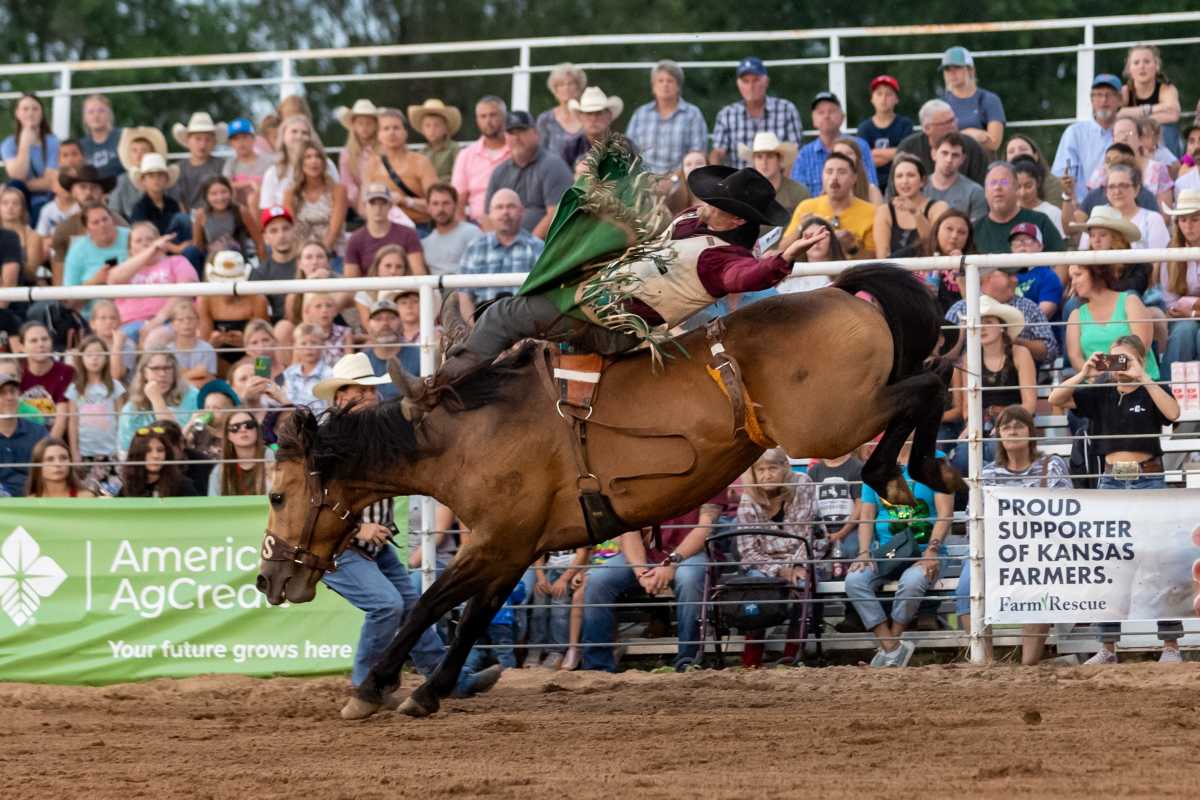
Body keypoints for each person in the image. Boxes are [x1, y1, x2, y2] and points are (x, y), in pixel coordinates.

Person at [400, 156, 831, 421]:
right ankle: (465, 351)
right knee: (512, 306)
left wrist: (785, 257)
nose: (702, 204)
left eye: (713, 203)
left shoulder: (723, 260)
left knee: (506, 314)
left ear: (736, 220)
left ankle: (433, 389)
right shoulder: (694, 224)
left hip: (616, 323)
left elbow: (747, 278)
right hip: (608, 299)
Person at [313, 352, 503, 718]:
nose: (371, 397)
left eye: (371, 391)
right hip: (341, 545)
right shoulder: (330, 445)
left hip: (377, 545)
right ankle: (366, 683)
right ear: (342, 398)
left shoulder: (370, 434)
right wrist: (356, 527)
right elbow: (316, 501)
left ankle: (449, 678)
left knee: (412, 609)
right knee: (388, 606)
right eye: (362, 392)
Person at [1048, 337, 1182, 664]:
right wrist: (1085, 372)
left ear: (1140, 360)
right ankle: (1107, 647)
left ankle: (1170, 646)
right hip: (1111, 479)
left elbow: (1174, 413)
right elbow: (1056, 398)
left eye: (1126, 360)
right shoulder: (1100, 391)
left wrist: (1144, 376)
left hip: (1148, 478)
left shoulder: (1152, 389)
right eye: (1115, 360)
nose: (1120, 367)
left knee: (1158, 562)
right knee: (1110, 565)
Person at [958, 405, 1072, 665]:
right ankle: (985, 662)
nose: (1012, 431)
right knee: (966, 586)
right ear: (998, 434)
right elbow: (971, 520)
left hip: (1039, 551)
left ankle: (1028, 665)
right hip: (994, 549)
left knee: (1040, 585)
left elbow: (1065, 510)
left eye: (1019, 425)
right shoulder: (987, 473)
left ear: (1031, 432)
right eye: (1006, 426)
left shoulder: (1051, 465)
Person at [582, 494, 725, 672]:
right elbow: (629, 530)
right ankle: (597, 666)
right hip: (645, 555)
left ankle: (688, 662)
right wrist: (640, 572)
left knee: (690, 579)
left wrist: (671, 563)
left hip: (689, 554)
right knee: (597, 581)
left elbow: (705, 527)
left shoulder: (709, 473)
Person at [846, 437, 954, 668]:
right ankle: (892, 648)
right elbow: (866, 516)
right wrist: (864, 552)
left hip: (926, 549)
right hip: (887, 552)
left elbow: (945, 513)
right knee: (855, 581)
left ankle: (890, 647)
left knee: (913, 581)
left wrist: (932, 551)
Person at [735, 448, 817, 667]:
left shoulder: (802, 484)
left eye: (772, 468)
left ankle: (791, 657)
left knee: (802, 585)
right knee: (756, 586)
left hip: (802, 555)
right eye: (760, 470)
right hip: (761, 563)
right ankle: (750, 661)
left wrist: (797, 565)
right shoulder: (748, 497)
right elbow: (748, 550)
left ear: (785, 469)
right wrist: (779, 570)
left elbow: (805, 534)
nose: (766, 475)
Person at [948, 295, 1037, 476]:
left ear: (1002, 327)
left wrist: (1003, 421)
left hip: (1014, 422)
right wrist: (975, 426)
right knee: (963, 458)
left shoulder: (1020, 353)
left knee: (992, 449)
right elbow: (967, 408)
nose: (982, 328)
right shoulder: (969, 358)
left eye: (988, 321)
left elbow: (1030, 404)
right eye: (978, 323)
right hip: (980, 425)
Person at [1062, 257, 1158, 381]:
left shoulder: (1130, 302)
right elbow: (1075, 358)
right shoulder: (1076, 315)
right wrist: (1099, 376)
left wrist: (1101, 370)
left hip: (1137, 384)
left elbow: (1139, 349)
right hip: (1097, 387)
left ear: (1096, 272)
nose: (1073, 282)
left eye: (1078, 275)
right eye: (1071, 278)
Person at [945, 264, 1059, 368]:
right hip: (970, 381)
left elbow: (1050, 352)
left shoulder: (1029, 307)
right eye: (1008, 275)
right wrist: (962, 334)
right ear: (987, 278)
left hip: (1017, 379)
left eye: (1015, 275)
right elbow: (944, 354)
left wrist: (1014, 341)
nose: (1015, 280)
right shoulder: (960, 309)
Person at [456, 188, 545, 311]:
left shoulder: (538, 248)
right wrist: (475, 329)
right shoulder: (475, 248)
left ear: (521, 211)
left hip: (525, 320)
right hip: (482, 320)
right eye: (499, 207)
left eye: (511, 206)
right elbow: (464, 296)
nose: (505, 212)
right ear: (490, 214)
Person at [107, 222, 198, 339]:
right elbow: (113, 279)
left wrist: (159, 319)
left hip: (170, 321)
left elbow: (185, 292)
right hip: (130, 324)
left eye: (150, 239)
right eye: (138, 241)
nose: (145, 243)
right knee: (121, 342)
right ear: (130, 249)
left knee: (156, 338)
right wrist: (151, 249)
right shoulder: (125, 268)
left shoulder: (177, 262)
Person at [710, 57, 803, 170]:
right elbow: (718, 153)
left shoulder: (787, 109)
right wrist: (717, 181)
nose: (751, 86)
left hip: (777, 182)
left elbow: (794, 153)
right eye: (746, 81)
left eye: (756, 80)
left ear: (766, 82)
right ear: (738, 84)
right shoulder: (726, 115)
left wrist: (783, 186)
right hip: (737, 184)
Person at [782, 152, 875, 258]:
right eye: (829, 172)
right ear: (822, 176)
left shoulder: (871, 212)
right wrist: (801, 228)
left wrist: (852, 248)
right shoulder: (806, 207)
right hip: (811, 273)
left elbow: (876, 261)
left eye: (842, 172)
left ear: (854, 178)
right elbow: (782, 251)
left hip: (850, 273)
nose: (834, 177)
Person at [624, 60, 709, 175]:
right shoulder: (640, 114)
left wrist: (674, 179)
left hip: (682, 181)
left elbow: (697, 154)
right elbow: (629, 152)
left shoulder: (693, 114)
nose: (665, 84)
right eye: (660, 81)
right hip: (644, 181)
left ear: (678, 86)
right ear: (653, 87)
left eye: (670, 81)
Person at [66, 335, 124, 496]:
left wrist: (121, 450)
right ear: (81, 358)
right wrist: (75, 453)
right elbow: (72, 423)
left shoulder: (115, 386)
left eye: (99, 354)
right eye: (89, 354)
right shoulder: (75, 389)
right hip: (86, 454)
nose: (94, 359)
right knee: (88, 494)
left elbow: (122, 418)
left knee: (113, 494)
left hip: (112, 453)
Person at [791, 91, 878, 198]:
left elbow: (871, 186)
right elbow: (797, 195)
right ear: (813, 119)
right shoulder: (804, 154)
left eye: (831, 111)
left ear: (842, 117)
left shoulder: (860, 146)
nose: (826, 116)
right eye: (821, 112)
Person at [1051, 74, 1123, 203]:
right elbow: (1062, 178)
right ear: (1091, 99)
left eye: (1110, 94)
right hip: (1084, 210)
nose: (1104, 100)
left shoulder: (1130, 131)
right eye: (1099, 95)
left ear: (1120, 99)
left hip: (1124, 207)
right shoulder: (1074, 133)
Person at [362, 108, 437, 230]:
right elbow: (363, 206)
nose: (391, 133)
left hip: (418, 227)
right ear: (379, 135)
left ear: (405, 133)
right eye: (386, 129)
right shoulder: (372, 164)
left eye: (396, 128)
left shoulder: (421, 162)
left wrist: (406, 201)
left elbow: (435, 204)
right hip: (383, 228)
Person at [117, 352, 199, 458]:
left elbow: (176, 441)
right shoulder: (131, 409)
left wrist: (156, 400)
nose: (162, 374)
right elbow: (126, 451)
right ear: (144, 373)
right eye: (155, 368)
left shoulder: (192, 396)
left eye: (167, 368)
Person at [973, 161, 1064, 254]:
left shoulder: (1040, 221)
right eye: (992, 183)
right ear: (985, 191)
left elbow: (1061, 260)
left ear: (1016, 187)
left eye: (1004, 182)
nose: (997, 187)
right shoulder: (975, 229)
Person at [1076, 166, 1169, 253]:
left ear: (1136, 189)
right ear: (1106, 191)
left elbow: (1159, 261)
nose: (1117, 192)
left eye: (1123, 186)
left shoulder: (1152, 219)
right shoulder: (1097, 217)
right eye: (1112, 186)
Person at [896, 99, 988, 186]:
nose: (954, 126)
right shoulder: (908, 148)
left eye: (953, 120)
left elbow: (982, 188)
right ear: (927, 128)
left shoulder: (972, 147)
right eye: (947, 123)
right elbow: (895, 186)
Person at [344, 182, 426, 278]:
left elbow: (418, 273)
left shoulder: (408, 234)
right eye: (372, 203)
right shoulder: (355, 239)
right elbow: (350, 279)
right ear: (365, 206)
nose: (378, 208)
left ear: (390, 205)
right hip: (369, 291)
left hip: (403, 290)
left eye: (383, 203)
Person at [1089, 117, 1173, 210]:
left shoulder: (1158, 169)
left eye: (1130, 133)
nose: (1124, 138)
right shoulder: (1101, 172)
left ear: (1140, 139)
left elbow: (1165, 214)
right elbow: (1090, 207)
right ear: (1113, 140)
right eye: (1120, 133)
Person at [873, 154, 948, 258]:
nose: (904, 181)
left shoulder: (939, 207)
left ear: (923, 181)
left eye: (911, 175)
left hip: (929, 269)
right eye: (899, 176)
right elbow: (882, 254)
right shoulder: (885, 210)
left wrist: (916, 213)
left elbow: (934, 246)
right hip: (895, 271)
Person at [128, 153, 197, 265]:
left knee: (192, 251)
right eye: (151, 176)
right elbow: (142, 237)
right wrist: (176, 248)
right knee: (182, 218)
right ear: (143, 181)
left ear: (166, 179)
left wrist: (183, 246)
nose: (156, 180)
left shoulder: (172, 203)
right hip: (152, 251)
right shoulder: (139, 208)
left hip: (177, 246)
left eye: (160, 175)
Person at [283, 141, 347, 263]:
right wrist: (305, 259)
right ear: (301, 163)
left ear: (324, 162)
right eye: (308, 157)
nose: (314, 161)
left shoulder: (338, 190)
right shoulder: (290, 194)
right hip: (300, 256)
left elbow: (334, 231)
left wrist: (319, 257)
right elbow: (290, 228)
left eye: (318, 156)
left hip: (332, 254)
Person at [452, 96, 511, 225]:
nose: (488, 121)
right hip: (476, 225)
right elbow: (458, 202)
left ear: (504, 117)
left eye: (493, 115)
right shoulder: (466, 155)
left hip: (514, 223)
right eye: (483, 116)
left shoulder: (516, 151)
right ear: (477, 120)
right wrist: (467, 232)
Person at [258, 115, 337, 211]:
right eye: (294, 131)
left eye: (305, 133)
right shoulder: (273, 173)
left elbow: (338, 200)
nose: (299, 136)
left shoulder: (327, 165)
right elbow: (267, 210)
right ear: (283, 136)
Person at [1159, 190, 1200, 375]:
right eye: (1183, 220)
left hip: (1187, 314)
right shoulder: (1172, 252)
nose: (1188, 226)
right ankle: (1169, 391)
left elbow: (1181, 302)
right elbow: (1171, 303)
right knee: (1185, 330)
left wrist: (1190, 306)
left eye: (1194, 219)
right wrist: (1194, 309)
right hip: (1183, 319)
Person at [937, 46, 1006, 155]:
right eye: (947, 69)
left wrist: (956, 137)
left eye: (957, 67)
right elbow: (937, 142)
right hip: (950, 165)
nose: (952, 73)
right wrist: (971, 134)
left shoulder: (989, 100)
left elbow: (994, 143)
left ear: (971, 70)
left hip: (983, 165)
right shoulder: (940, 104)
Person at [2, 93, 60, 222]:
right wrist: (24, 144)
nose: (30, 113)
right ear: (17, 113)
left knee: (14, 186)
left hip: (48, 197)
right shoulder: (9, 144)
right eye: (25, 109)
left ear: (41, 113)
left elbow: (50, 182)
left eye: (35, 108)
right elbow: (18, 175)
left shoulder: (53, 142)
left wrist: (14, 186)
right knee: (14, 186)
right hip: (20, 200)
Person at [736, 132, 807, 234]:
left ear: (780, 160)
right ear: (754, 162)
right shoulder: (744, 194)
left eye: (769, 156)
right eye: (759, 157)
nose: (764, 162)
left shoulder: (799, 192)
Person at [1118, 44, 1182, 156]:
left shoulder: (1166, 89)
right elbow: (1116, 114)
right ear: (1129, 69)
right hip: (1133, 137)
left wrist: (1137, 119)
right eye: (1136, 63)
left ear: (1156, 66)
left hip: (1162, 140)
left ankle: (1171, 168)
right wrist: (1154, 109)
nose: (1142, 67)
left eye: (1147, 62)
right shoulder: (1125, 91)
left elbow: (1173, 115)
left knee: (1167, 129)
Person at [808, 451, 864, 578]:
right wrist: (822, 533)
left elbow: (860, 504)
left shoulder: (857, 467)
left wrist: (841, 533)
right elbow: (810, 506)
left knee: (852, 549)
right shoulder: (813, 471)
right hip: (822, 531)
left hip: (851, 529)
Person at [856, 74, 914, 192]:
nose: (883, 98)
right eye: (879, 94)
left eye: (888, 94)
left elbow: (907, 155)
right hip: (871, 184)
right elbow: (864, 161)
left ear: (896, 99)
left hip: (901, 183)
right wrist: (895, 153)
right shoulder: (864, 128)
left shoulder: (905, 124)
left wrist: (875, 153)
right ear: (872, 99)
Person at [17, 320, 73, 440]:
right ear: (22, 347)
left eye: (45, 339)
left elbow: (61, 421)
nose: (41, 344)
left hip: (54, 443)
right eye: (33, 341)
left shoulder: (67, 372)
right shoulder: (16, 373)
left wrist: (45, 451)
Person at [62, 203, 130, 298]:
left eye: (105, 219)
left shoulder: (132, 237)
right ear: (87, 229)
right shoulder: (77, 251)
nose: (102, 225)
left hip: (133, 303)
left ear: (113, 220)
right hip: (94, 308)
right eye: (95, 222)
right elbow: (68, 296)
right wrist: (95, 281)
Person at [117, 422, 201, 498]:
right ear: (137, 455)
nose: (155, 456)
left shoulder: (182, 486)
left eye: (160, 450)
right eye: (147, 450)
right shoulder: (128, 487)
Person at [107, 126, 172, 223]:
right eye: (134, 150)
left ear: (152, 153)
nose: (139, 155)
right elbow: (113, 211)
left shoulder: (164, 177)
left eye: (144, 150)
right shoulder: (122, 180)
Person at [193, 174, 264, 263]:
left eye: (224, 192)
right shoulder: (201, 214)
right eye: (213, 194)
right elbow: (197, 246)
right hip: (212, 263)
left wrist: (264, 269)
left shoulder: (241, 211)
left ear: (230, 192)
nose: (220, 198)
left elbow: (259, 242)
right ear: (206, 197)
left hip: (237, 262)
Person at [1077, 143, 1159, 217]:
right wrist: (1068, 196)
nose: (1110, 165)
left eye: (1116, 160)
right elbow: (1073, 227)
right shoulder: (1094, 196)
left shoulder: (1147, 197)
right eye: (1107, 161)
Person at [421, 183, 483, 276]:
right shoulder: (425, 243)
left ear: (455, 205)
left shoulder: (472, 233)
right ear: (428, 207)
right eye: (435, 204)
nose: (440, 209)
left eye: (446, 203)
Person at [208, 410, 273, 496]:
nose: (243, 430)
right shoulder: (219, 472)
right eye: (235, 427)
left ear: (257, 430)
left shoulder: (274, 460)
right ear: (228, 436)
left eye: (249, 425)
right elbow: (213, 505)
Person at [171, 112, 227, 211]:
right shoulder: (177, 169)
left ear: (214, 142)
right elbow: (177, 200)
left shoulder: (222, 166)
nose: (203, 145)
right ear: (188, 140)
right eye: (198, 139)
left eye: (208, 140)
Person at [1008, 223, 1064, 320]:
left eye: (1027, 240)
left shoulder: (1048, 276)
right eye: (1016, 241)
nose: (1021, 246)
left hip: (1038, 332)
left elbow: (1043, 314)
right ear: (1011, 248)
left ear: (1040, 246)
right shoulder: (1005, 275)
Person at [252, 207, 299, 321]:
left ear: (294, 231)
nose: (281, 235)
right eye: (274, 231)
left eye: (286, 228)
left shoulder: (311, 263)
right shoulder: (260, 274)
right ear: (265, 237)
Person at [560, 86, 624, 169]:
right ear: (580, 117)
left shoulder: (625, 146)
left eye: (599, 113)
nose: (593, 118)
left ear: (609, 116)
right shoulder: (570, 149)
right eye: (588, 113)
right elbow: (561, 180)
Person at [334, 99, 380, 210]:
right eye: (360, 123)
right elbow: (347, 182)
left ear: (375, 125)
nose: (364, 127)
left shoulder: (381, 149)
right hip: (357, 203)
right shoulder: (346, 154)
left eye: (369, 123)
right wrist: (358, 199)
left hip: (380, 196)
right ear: (353, 125)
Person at [35, 140, 85, 241]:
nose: (70, 159)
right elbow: (40, 237)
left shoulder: (84, 206)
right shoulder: (47, 209)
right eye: (65, 155)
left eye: (74, 154)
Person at [221, 117, 274, 208]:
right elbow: (225, 185)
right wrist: (249, 183)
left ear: (253, 139)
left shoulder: (268, 161)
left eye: (245, 137)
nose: (241, 142)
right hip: (239, 209)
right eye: (236, 139)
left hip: (264, 207)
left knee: (253, 198)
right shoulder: (230, 163)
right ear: (231, 143)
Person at [281, 323, 334, 413]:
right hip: (291, 422)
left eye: (313, 343)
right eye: (303, 343)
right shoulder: (289, 373)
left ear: (323, 345)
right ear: (296, 346)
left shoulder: (329, 374)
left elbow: (329, 405)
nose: (308, 347)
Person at [359, 297, 407, 398]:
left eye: (391, 318)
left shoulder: (421, 357)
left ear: (401, 324)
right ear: (368, 326)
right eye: (378, 319)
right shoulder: (361, 361)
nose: (385, 323)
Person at [353, 244, 413, 323]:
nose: (393, 271)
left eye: (399, 267)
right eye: (388, 266)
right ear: (377, 267)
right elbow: (369, 328)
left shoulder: (414, 292)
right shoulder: (364, 294)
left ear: (405, 269)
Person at [409, 98, 462, 183]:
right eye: (427, 126)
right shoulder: (421, 153)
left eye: (437, 125)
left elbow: (459, 176)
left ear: (445, 128)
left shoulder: (454, 149)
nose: (432, 130)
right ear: (422, 130)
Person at [1005, 133, 1065, 207]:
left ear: (1036, 155)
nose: (1017, 153)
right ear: (1006, 160)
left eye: (1023, 149)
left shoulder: (1054, 184)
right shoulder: (1002, 184)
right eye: (1011, 151)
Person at [25, 437, 95, 498]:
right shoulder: (30, 501)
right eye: (50, 459)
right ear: (38, 466)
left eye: (63, 458)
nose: (58, 464)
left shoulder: (86, 497)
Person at [0, 186, 44, 279]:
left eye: (15, 203)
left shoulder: (33, 236)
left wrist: (12, 262)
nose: (10, 207)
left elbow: (32, 273)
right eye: (5, 203)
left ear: (22, 208)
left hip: (23, 287)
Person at [1012, 157, 1064, 236]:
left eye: (1028, 186)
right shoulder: (1008, 214)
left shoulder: (1052, 213)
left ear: (1038, 182)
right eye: (1018, 187)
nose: (1023, 193)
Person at [79, 94, 123, 180]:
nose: (96, 116)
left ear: (109, 114)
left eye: (101, 111)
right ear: (84, 118)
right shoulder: (80, 146)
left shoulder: (123, 137)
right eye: (91, 112)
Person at [832, 137, 884, 206]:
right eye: (838, 154)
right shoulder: (828, 191)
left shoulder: (872, 192)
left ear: (857, 159)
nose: (844, 157)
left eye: (849, 153)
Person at [664, 150, 710, 215]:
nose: (693, 168)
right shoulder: (673, 201)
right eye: (688, 164)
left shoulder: (718, 200)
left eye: (699, 163)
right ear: (683, 172)